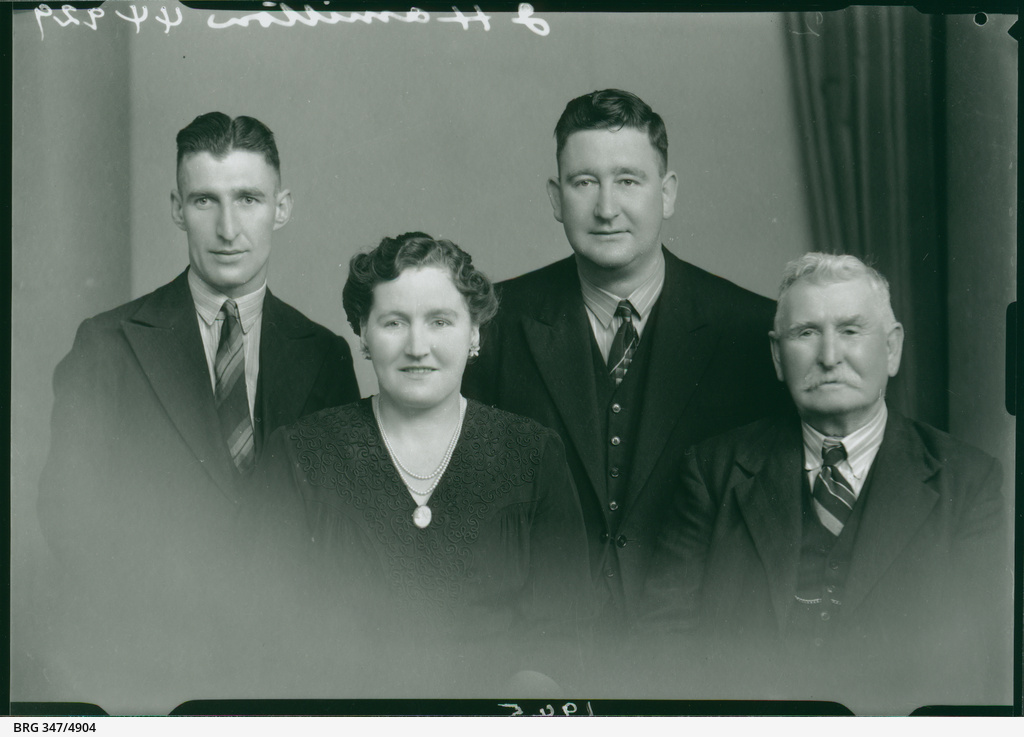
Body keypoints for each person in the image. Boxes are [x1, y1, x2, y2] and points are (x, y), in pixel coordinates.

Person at [34, 112, 360, 712]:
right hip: (151, 672)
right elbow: (68, 514)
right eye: (205, 200)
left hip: (288, 675)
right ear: (178, 208)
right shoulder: (108, 344)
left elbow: (342, 526)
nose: (228, 227)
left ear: (281, 208)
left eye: (249, 198)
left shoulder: (325, 355)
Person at [462, 89, 786, 624]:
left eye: (628, 181)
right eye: (584, 182)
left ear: (668, 192)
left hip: (700, 651)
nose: (606, 207)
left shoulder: (751, 328)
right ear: (554, 196)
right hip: (536, 644)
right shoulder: (492, 322)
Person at [642, 253, 1011, 712]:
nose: (830, 356)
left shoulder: (968, 481)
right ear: (778, 356)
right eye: (806, 333)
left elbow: (983, 665)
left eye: (851, 330)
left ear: (892, 348)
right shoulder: (713, 470)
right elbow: (663, 641)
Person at [259, 232, 593, 697]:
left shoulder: (534, 455)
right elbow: (269, 639)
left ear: (474, 332)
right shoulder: (302, 456)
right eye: (394, 322)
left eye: (440, 321)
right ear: (363, 333)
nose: (418, 346)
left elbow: (560, 638)